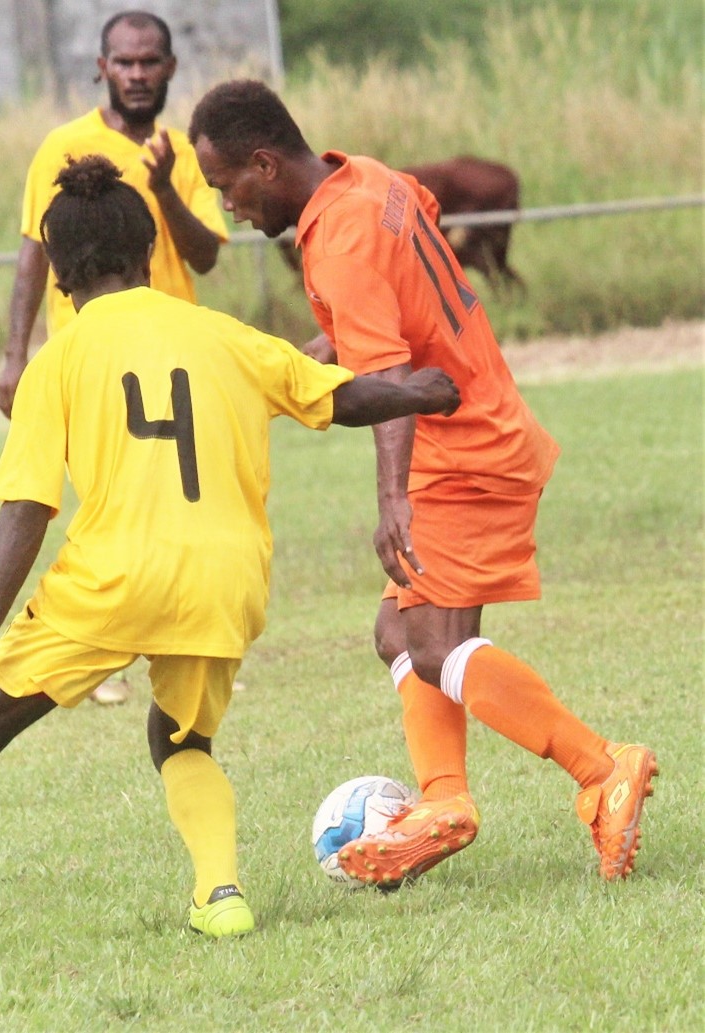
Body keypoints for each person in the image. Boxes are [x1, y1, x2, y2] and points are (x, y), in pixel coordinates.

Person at [0, 155, 461, 973]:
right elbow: (339, 397)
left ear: (58, 276)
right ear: (148, 253)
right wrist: (416, 391)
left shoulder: (60, 357)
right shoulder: (224, 333)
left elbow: (25, 507)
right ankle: (220, 895)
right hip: (222, 578)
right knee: (182, 741)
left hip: (113, 577)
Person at [188, 79, 657, 887]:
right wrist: (275, 382)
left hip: (463, 452)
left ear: (262, 164)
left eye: (224, 185)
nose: (226, 205)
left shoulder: (336, 238)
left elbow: (390, 372)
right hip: (476, 432)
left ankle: (601, 766)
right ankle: (444, 800)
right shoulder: (367, 178)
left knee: (434, 643)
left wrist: (390, 500)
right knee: (397, 635)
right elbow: (397, 278)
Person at [1, 10, 228, 706]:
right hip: (89, 355)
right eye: (123, 63)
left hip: (172, 352)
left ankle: (188, 640)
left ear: (169, 68)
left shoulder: (184, 153)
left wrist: (161, 187)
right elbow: (33, 254)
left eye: (148, 62)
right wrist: (15, 353)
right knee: (101, 502)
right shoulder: (62, 146)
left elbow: (206, 254)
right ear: (101, 68)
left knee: (178, 498)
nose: (136, 74)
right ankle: (100, 650)